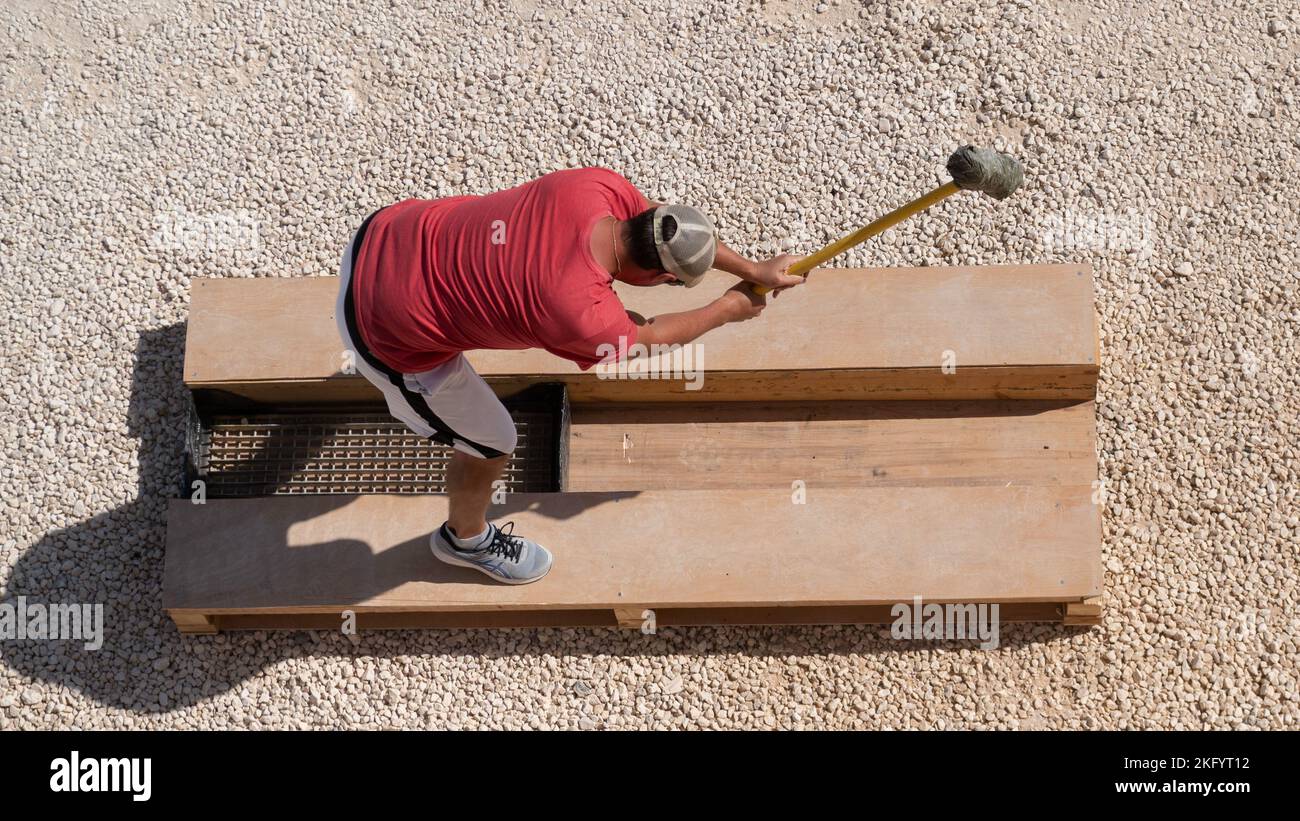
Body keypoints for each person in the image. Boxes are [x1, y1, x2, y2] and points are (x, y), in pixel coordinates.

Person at [336, 167, 802, 584]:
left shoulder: (592, 186)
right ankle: (464, 540)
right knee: (492, 442)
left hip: (385, 232)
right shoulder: (581, 315)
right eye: (676, 282)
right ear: (662, 278)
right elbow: (647, 338)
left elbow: (665, 226)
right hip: (379, 329)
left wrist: (753, 269)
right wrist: (727, 309)